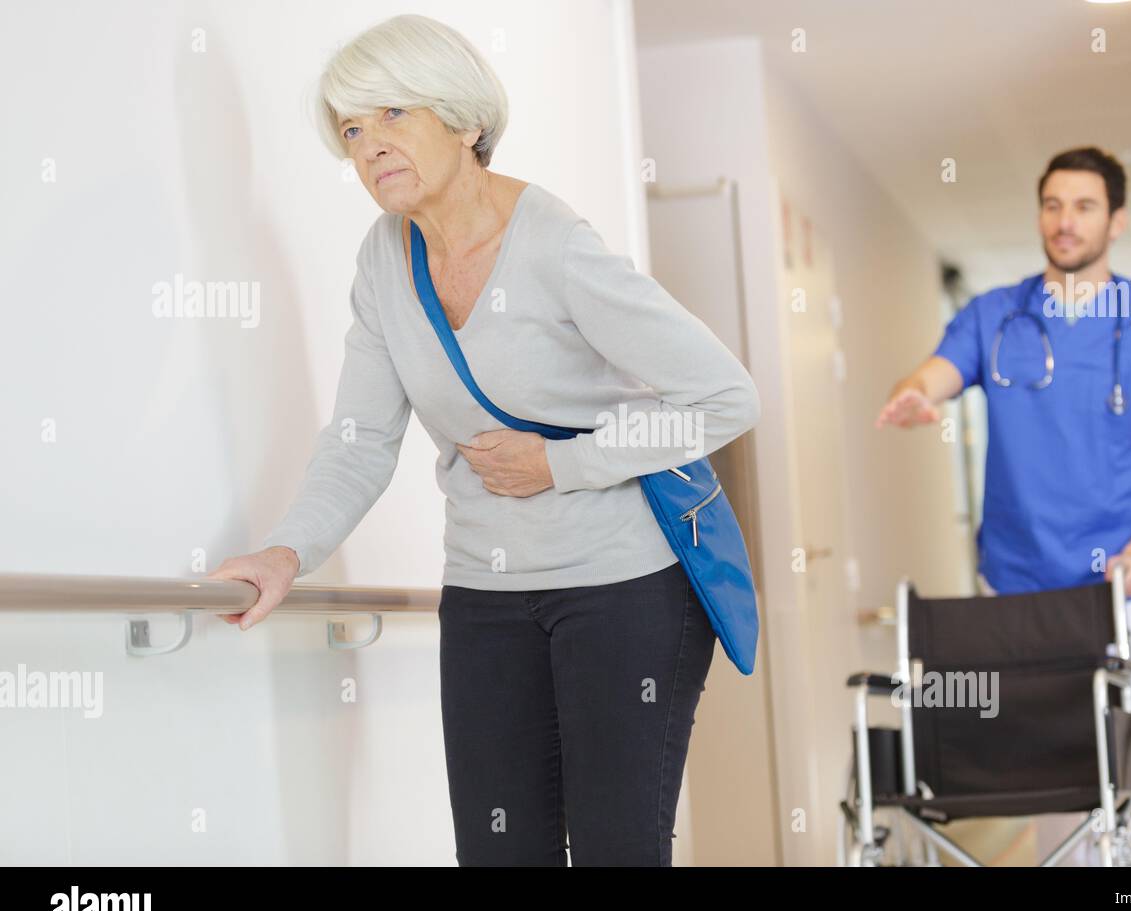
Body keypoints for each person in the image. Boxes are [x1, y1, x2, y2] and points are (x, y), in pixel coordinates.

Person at [207, 14, 760, 866]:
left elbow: (723, 396)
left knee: (618, 847)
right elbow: (360, 438)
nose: (370, 146)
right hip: (486, 596)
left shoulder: (556, 246)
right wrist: (289, 551)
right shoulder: (383, 260)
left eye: (393, 115)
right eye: (353, 129)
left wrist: (559, 462)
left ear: (465, 121)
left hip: (624, 590)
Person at [876, 146, 1131, 863]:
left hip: (1117, 590)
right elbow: (936, 373)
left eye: (1084, 206)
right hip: (1015, 584)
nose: (1065, 223)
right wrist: (916, 392)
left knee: (1126, 780)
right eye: (1053, 205)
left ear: (1117, 219)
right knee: (1042, 777)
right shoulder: (994, 315)